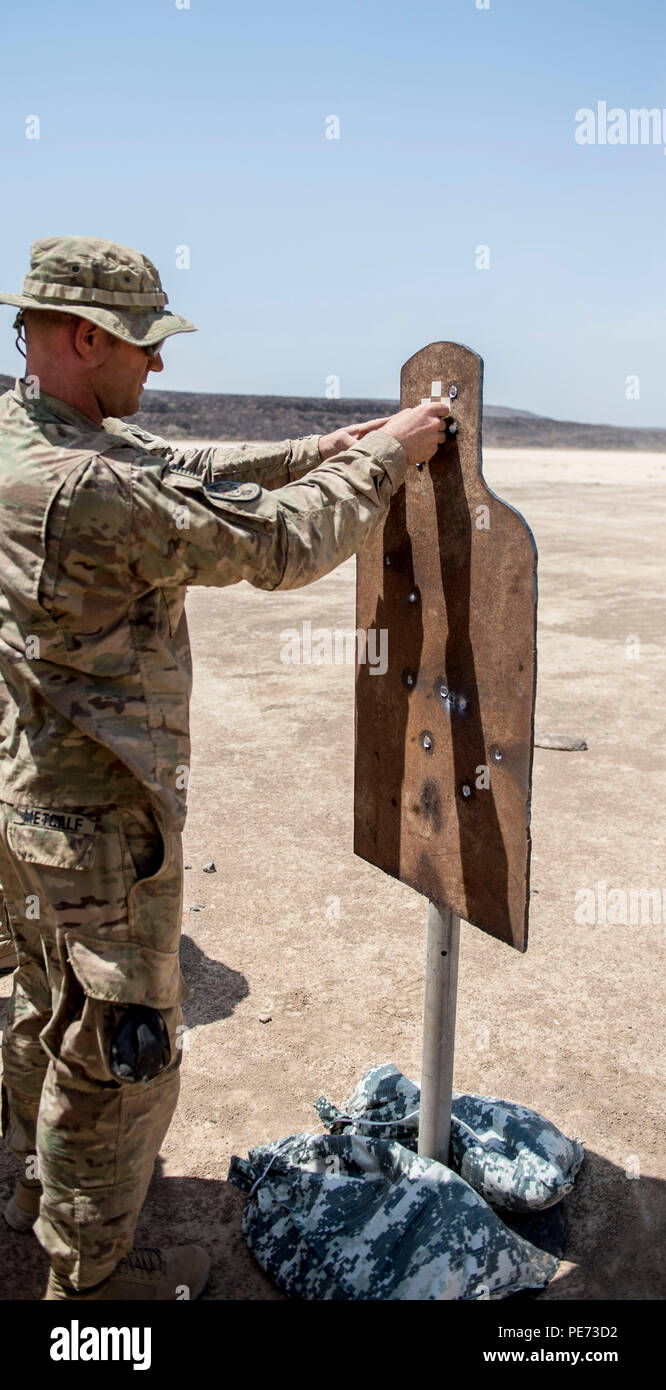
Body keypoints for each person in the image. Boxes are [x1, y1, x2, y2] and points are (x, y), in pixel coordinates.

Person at [0, 236, 450, 1300]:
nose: (156, 369)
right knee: (121, 1057)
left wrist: (323, 443)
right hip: (101, 821)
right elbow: (282, 545)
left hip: (27, 798)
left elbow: (182, 470)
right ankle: (85, 1289)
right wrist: (385, 457)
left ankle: (29, 1193)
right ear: (83, 338)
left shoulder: (27, 437)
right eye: (144, 348)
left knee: (34, 1001)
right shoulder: (81, 490)